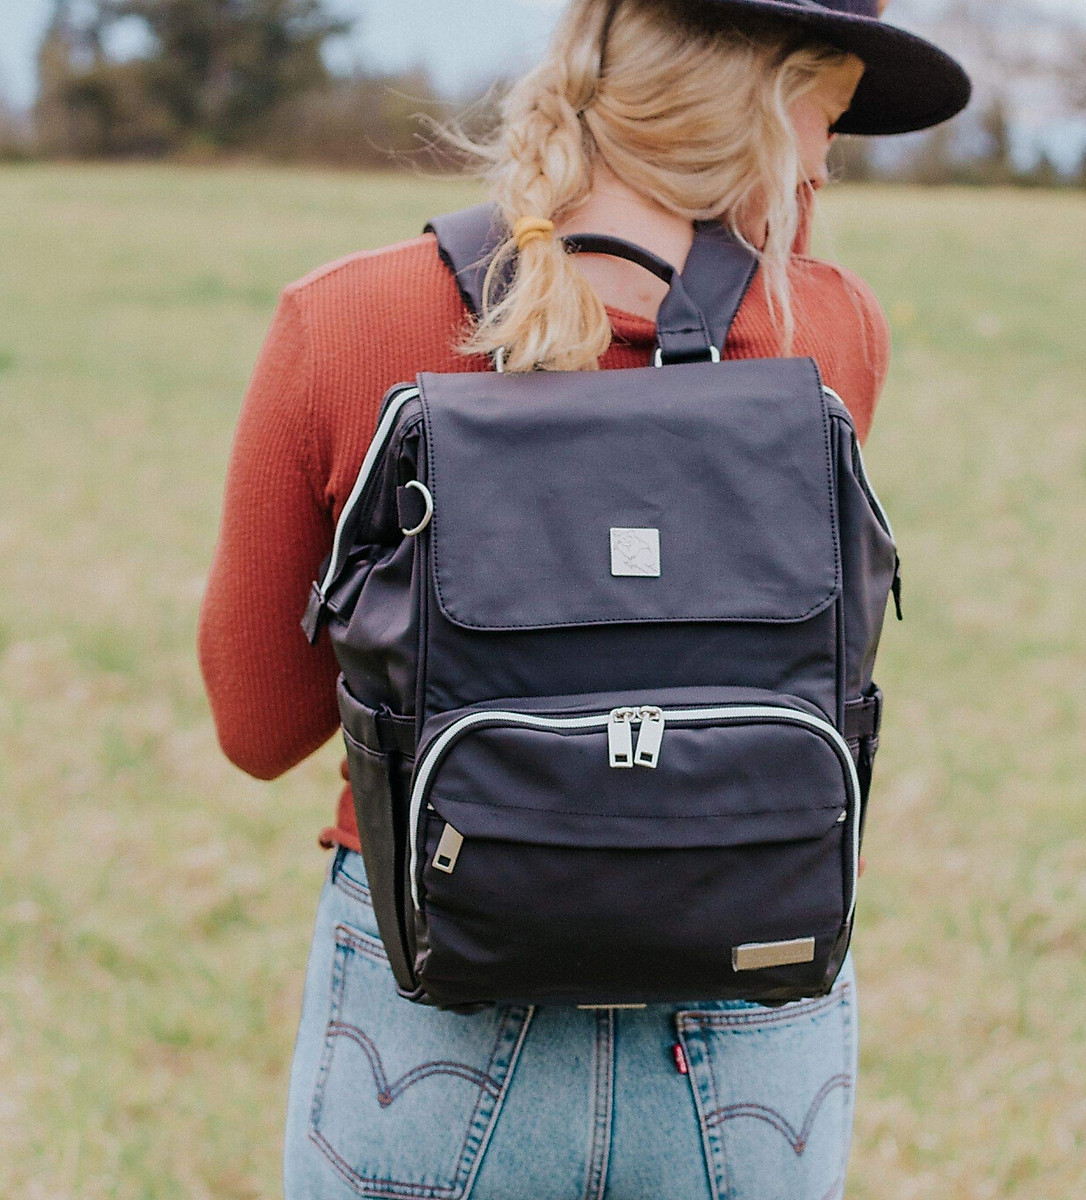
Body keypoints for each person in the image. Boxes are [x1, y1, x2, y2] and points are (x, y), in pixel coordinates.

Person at [198, 1, 969, 1196]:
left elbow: (258, 730)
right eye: (831, 116)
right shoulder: (834, 332)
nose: (828, 161)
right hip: (749, 1002)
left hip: (434, 1001)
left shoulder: (345, 321)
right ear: (763, 106)